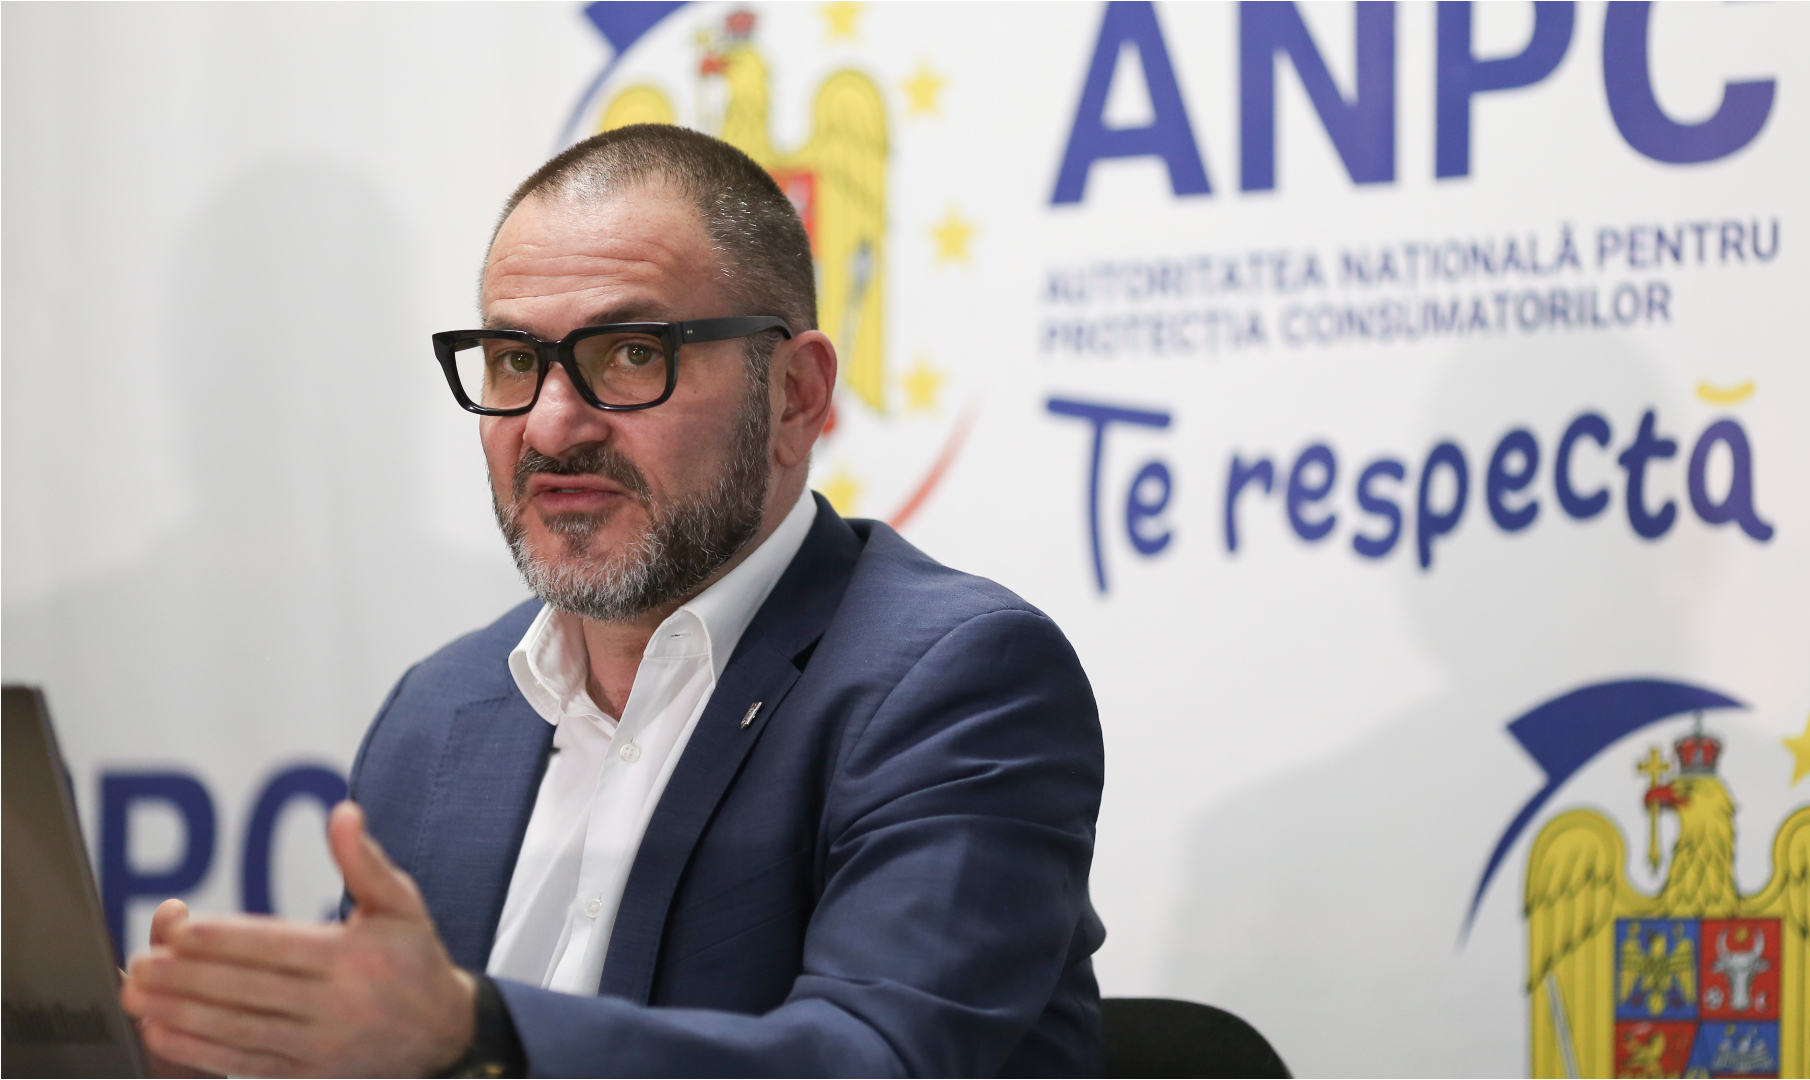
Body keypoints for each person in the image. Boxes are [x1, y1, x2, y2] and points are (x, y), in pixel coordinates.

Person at [120, 124, 1105, 1077]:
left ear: (796, 395)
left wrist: (470, 1034)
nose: (553, 427)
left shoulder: (956, 684)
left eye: (631, 353)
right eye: (515, 361)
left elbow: (870, 1060)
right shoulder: (437, 713)